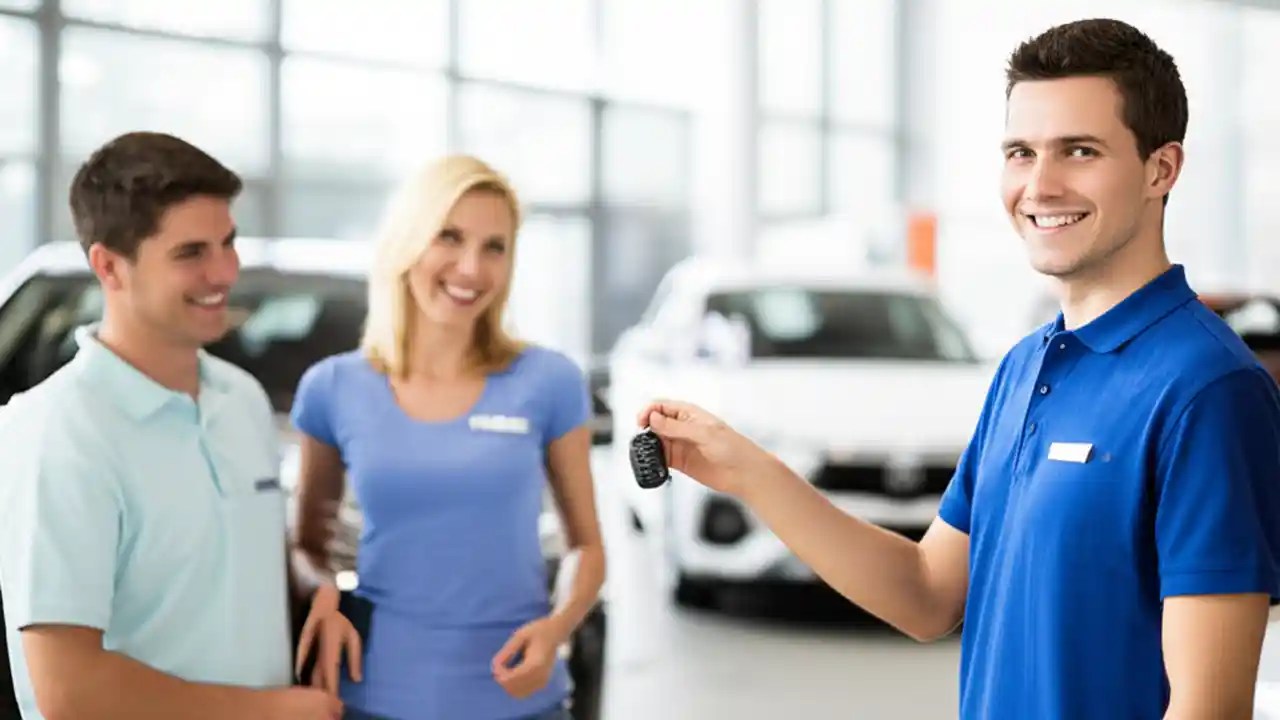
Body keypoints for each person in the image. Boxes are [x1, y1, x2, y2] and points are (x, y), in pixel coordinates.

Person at [637, 18, 1280, 720]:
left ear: (1162, 168)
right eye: (1020, 152)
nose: (1040, 184)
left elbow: (1210, 707)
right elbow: (926, 592)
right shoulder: (1025, 365)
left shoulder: (1209, 391)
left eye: (1080, 150)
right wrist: (744, 471)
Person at [0, 131, 351, 720]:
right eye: (191, 253)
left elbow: (239, 556)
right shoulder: (58, 433)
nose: (224, 273)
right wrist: (272, 712)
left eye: (228, 243)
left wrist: (316, 589)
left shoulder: (239, 400)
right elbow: (69, 690)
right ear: (109, 266)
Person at [288, 154, 607, 720]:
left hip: (520, 702)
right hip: (373, 695)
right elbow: (305, 546)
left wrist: (558, 626)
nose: (470, 268)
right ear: (407, 241)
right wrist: (324, 593)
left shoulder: (548, 381)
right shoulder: (333, 388)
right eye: (449, 237)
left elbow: (587, 546)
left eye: (494, 247)